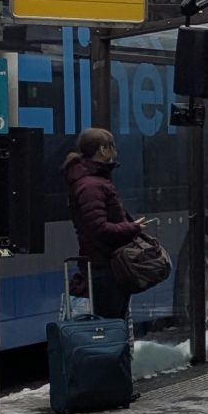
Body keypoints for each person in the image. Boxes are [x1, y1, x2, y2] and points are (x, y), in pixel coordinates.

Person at [62, 128, 147, 320]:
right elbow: (99, 228)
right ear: (103, 150)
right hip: (104, 268)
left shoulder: (92, 182)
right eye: (112, 147)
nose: (115, 153)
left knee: (112, 326)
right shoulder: (91, 185)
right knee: (109, 328)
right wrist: (132, 228)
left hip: (105, 266)